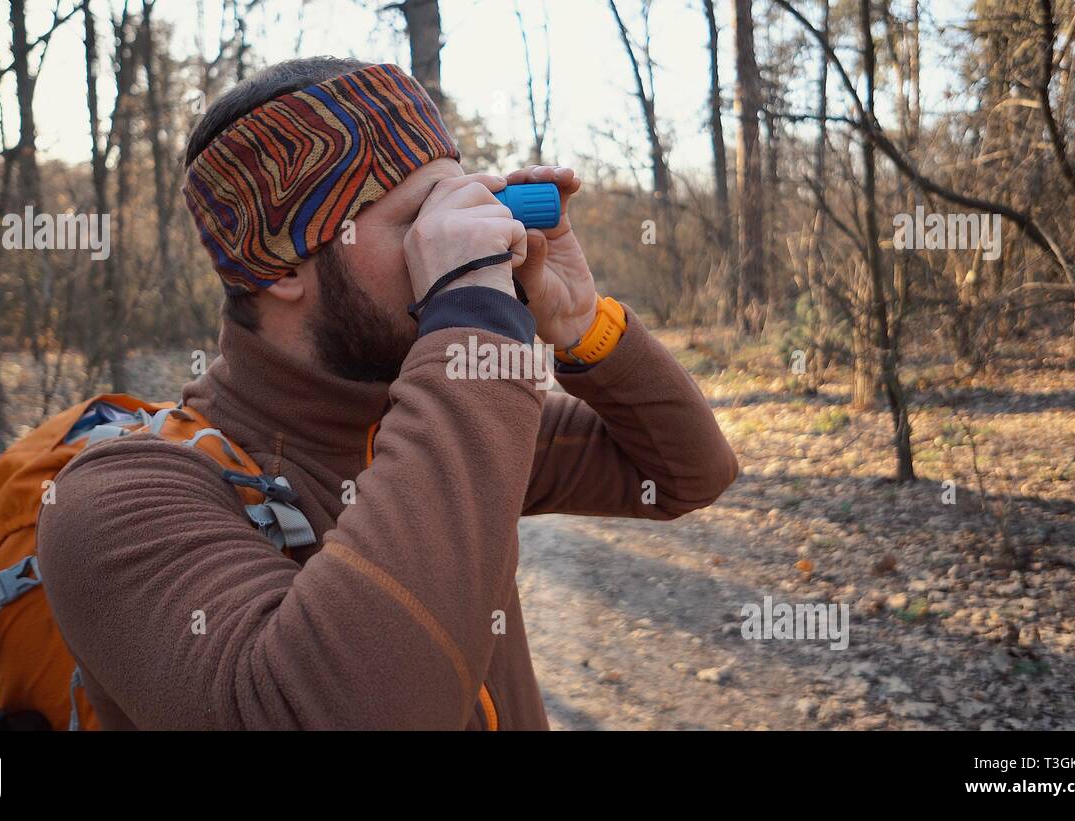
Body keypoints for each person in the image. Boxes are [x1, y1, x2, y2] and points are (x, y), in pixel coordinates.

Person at [37, 57, 738, 729]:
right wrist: (471, 321)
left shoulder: (417, 413)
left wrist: (583, 326)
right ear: (282, 265)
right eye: (424, 224)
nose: (483, 244)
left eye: (467, 211)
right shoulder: (118, 500)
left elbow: (683, 473)